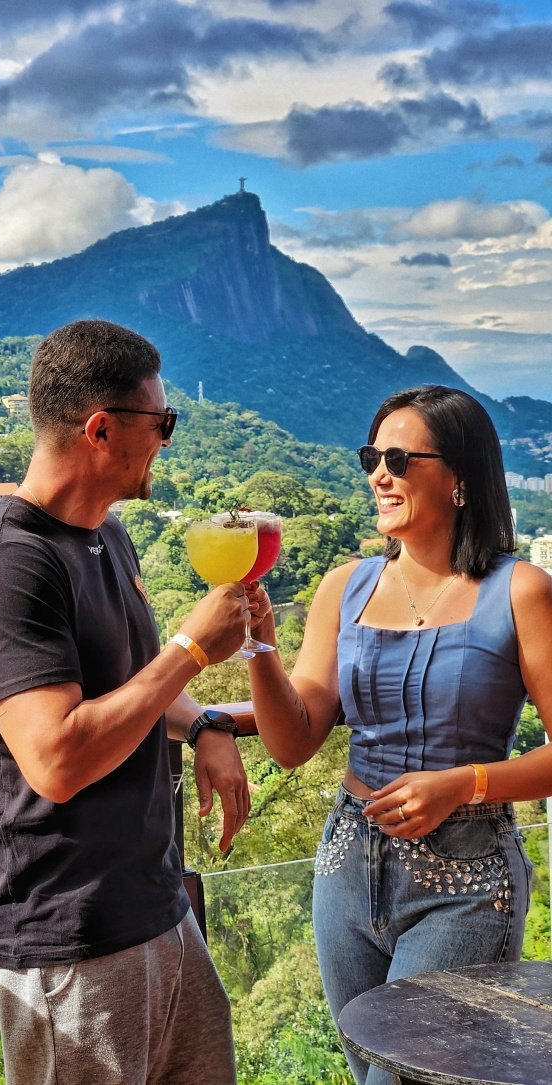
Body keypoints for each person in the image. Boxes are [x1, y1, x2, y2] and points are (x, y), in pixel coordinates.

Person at [0, 319, 252, 1085]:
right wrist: (192, 650)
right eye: (162, 423)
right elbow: (56, 758)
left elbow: (133, 686)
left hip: (155, 907)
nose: (167, 442)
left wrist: (207, 720)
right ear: (100, 429)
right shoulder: (2, 566)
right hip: (66, 939)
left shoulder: (107, 536)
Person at [246, 384, 552, 1084]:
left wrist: (464, 784)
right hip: (347, 868)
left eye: (399, 459)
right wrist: (260, 644)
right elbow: (292, 743)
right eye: (371, 458)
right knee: (371, 1074)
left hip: (467, 881)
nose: (378, 475)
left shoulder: (521, 591)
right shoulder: (343, 587)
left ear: (460, 478)